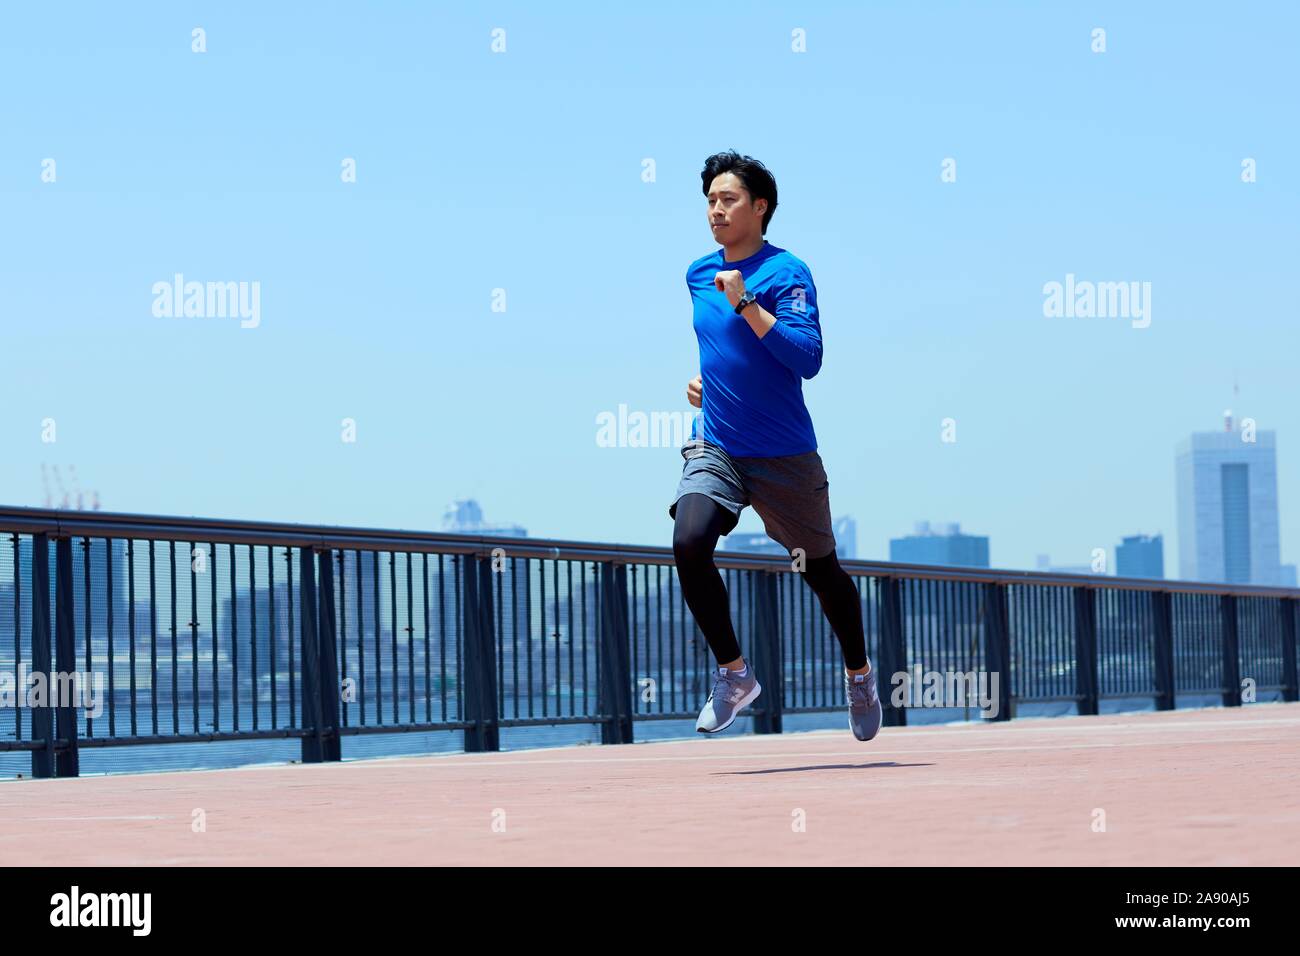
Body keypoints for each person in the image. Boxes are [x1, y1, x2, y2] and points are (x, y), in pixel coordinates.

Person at [668, 150, 881, 741]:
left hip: (784, 452)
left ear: (760, 208)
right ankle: (734, 675)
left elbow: (806, 359)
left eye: (728, 198)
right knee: (689, 541)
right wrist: (704, 381)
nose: (715, 208)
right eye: (710, 199)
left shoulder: (786, 272)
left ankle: (860, 674)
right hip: (718, 444)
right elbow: (724, 350)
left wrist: (746, 303)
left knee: (820, 571)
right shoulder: (695, 273)